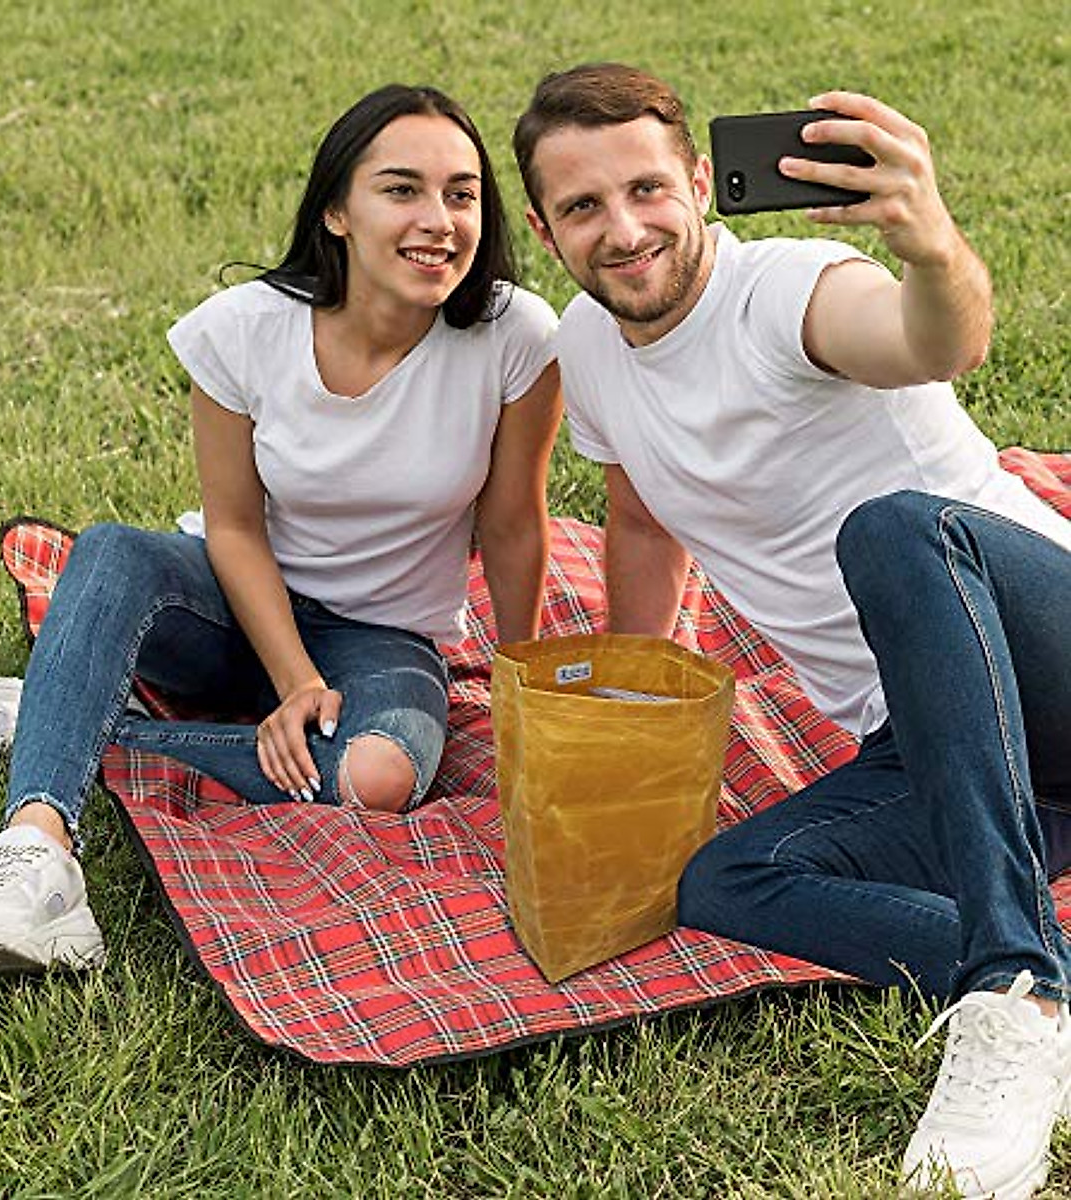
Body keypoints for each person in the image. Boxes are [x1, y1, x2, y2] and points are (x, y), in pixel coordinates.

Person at [513, 62, 1071, 1199]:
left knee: (894, 531)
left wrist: (927, 244)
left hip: (1047, 657)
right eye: (583, 206)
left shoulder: (789, 292)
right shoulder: (589, 349)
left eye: (646, 189)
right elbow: (639, 515)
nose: (624, 230)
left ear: (699, 183)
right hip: (942, 749)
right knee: (726, 881)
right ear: (543, 229)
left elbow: (936, 341)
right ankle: (1021, 946)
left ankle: (1017, 994)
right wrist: (626, 700)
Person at [0, 84, 562, 982]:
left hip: (383, 636)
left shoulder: (515, 336)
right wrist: (295, 681)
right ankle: (36, 853)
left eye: (462, 194)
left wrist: (524, 684)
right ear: (337, 211)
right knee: (111, 553)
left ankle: (52, 715)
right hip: (225, 609)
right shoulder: (243, 329)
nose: (439, 221)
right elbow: (232, 526)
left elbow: (514, 521)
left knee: (378, 777)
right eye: (401, 190)